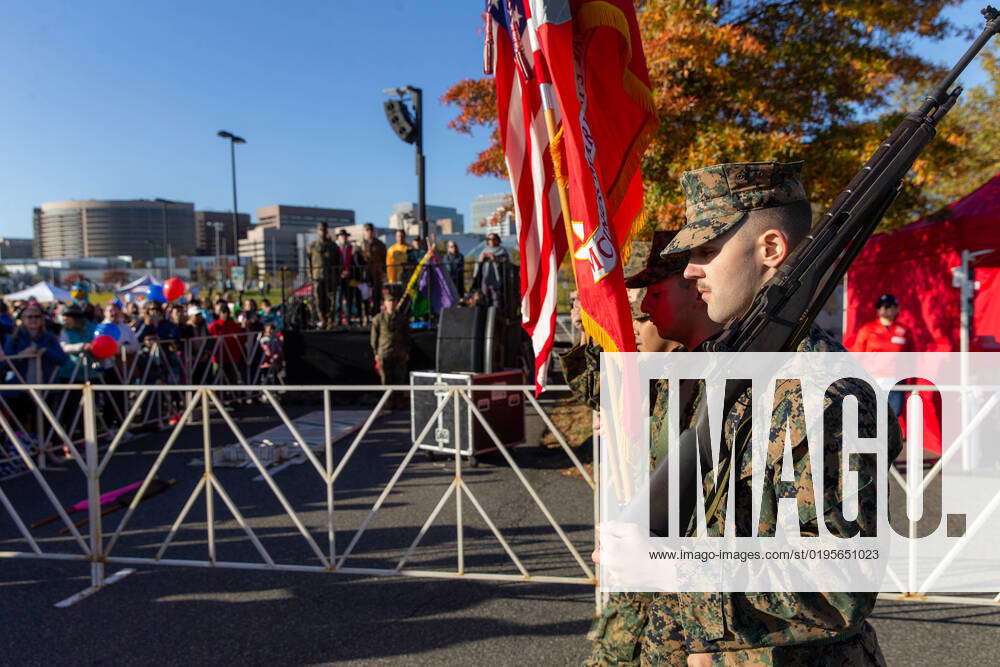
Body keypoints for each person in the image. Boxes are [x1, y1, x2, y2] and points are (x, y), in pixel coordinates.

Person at [630, 161, 899, 665]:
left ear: (771, 250)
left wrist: (670, 567)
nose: (690, 270)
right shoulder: (735, 365)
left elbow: (836, 587)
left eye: (707, 252)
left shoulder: (826, 393)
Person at [582, 232, 722, 666]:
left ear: (696, 292)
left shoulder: (737, 376)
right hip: (646, 619)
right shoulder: (668, 375)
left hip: (703, 627)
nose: (643, 309)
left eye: (655, 293)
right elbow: (596, 387)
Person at [369, 290, 410, 408]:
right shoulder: (378, 319)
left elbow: (407, 336)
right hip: (384, 352)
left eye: (393, 301)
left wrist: (407, 351)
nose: (391, 304)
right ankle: (387, 401)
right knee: (385, 379)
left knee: (399, 378)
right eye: (389, 301)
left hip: (399, 352)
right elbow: (374, 338)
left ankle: (399, 400)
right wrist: (376, 353)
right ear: (385, 303)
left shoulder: (402, 318)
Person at [307, 222, 339, 329]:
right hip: (317, 277)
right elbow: (309, 262)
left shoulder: (333, 246)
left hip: (331, 276)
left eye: (324, 230)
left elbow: (338, 262)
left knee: (331, 300)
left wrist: (337, 276)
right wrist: (310, 276)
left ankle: (330, 320)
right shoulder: (312, 246)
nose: (323, 232)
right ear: (317, 231)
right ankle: (322, 319)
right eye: (321, 230)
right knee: (319, 299)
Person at [358, 223, 387, 324]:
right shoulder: (360, 245)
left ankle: (376, 318)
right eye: (367, 230)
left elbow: (385, 259)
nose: (369, 232)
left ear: (373, 232)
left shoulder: (380, 244)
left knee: (377, 296)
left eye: (370, 230)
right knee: (364, 297)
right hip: (365, 275)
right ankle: (366, 317)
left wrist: (384, 272)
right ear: (364, 232)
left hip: (376, 274)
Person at [472, 233, 510, 308]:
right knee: (485, 295)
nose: (491, 241)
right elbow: (478, 263)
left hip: (497, 277)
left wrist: (495, 258)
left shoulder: (502, 250)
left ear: (497, 240)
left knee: (496, 297)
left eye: (493, 239)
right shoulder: (484, 250)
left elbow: (507, 261)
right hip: (485, 277)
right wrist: (481, 259)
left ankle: (496, 315)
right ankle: (486, 314)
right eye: (489, 239)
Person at [334, 229, 359, 326]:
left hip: (349, 276)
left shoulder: (351, 248)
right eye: (341, 236)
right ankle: (337, 320)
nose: (344, 238)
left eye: (345, 236)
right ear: (338, 238)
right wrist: (340, 272)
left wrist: (349, 272)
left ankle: (348, 320)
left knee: (349, 299)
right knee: (338, 300)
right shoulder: (335, 248)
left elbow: (354, 262)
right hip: (339, 277)